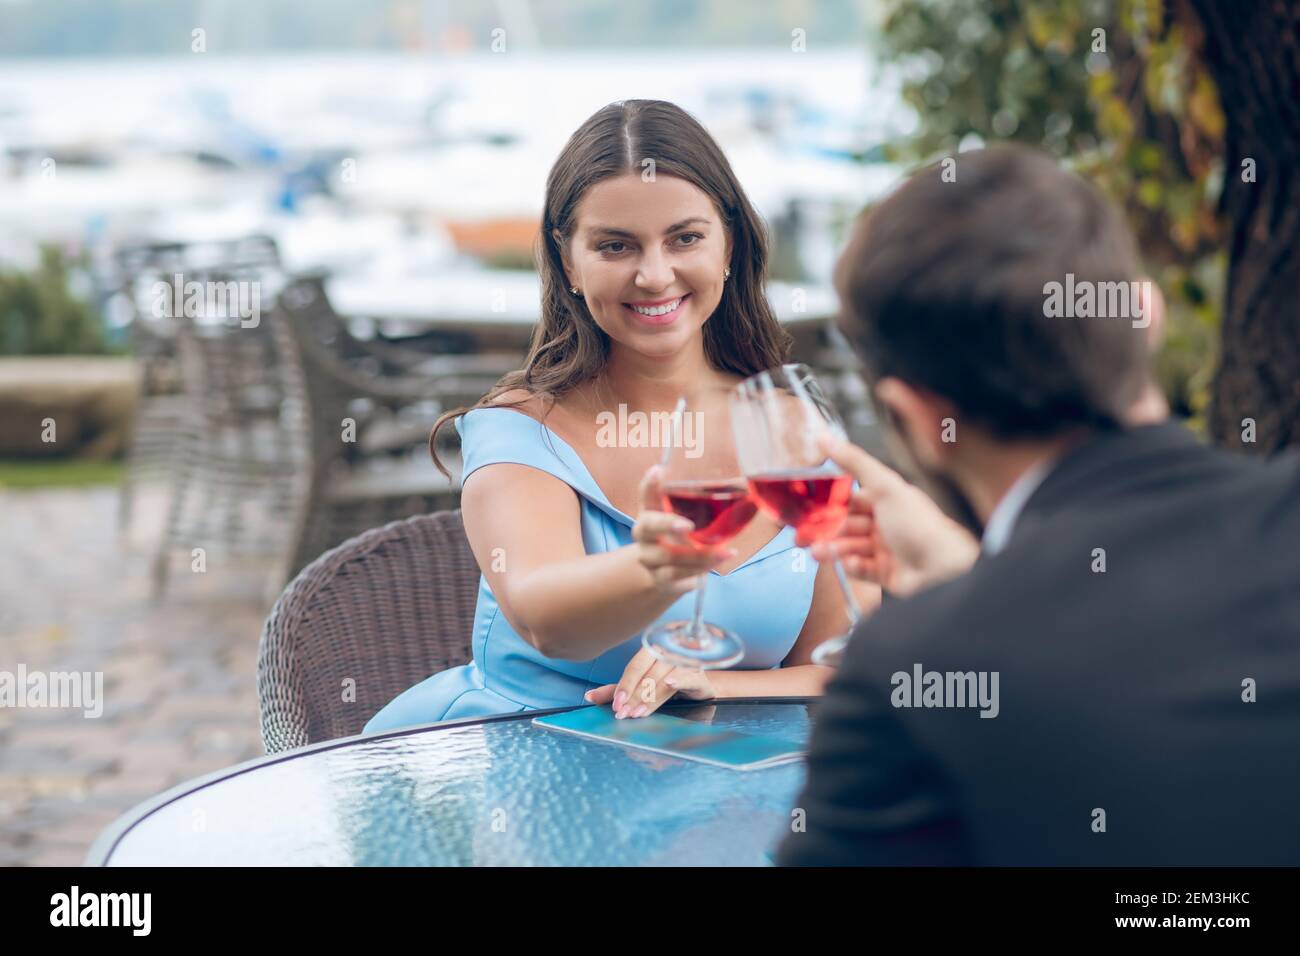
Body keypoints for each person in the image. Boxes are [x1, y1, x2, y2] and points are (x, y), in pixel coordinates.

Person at [777, 145, 1300, 866]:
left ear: (918, 417)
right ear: (1146, 316)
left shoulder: (906, 679)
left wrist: (965, 600)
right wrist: (973, 579)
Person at [365, 100, 878, 733]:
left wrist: (708, 682)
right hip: (523, 764)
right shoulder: (520, 429)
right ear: (569, 262)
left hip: (729, 782)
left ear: (729, 245)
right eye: (615, 246)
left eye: (685, 238)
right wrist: (656, 568)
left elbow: (842, 661)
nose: (655, 275)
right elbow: (547, 621)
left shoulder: (795, 429)